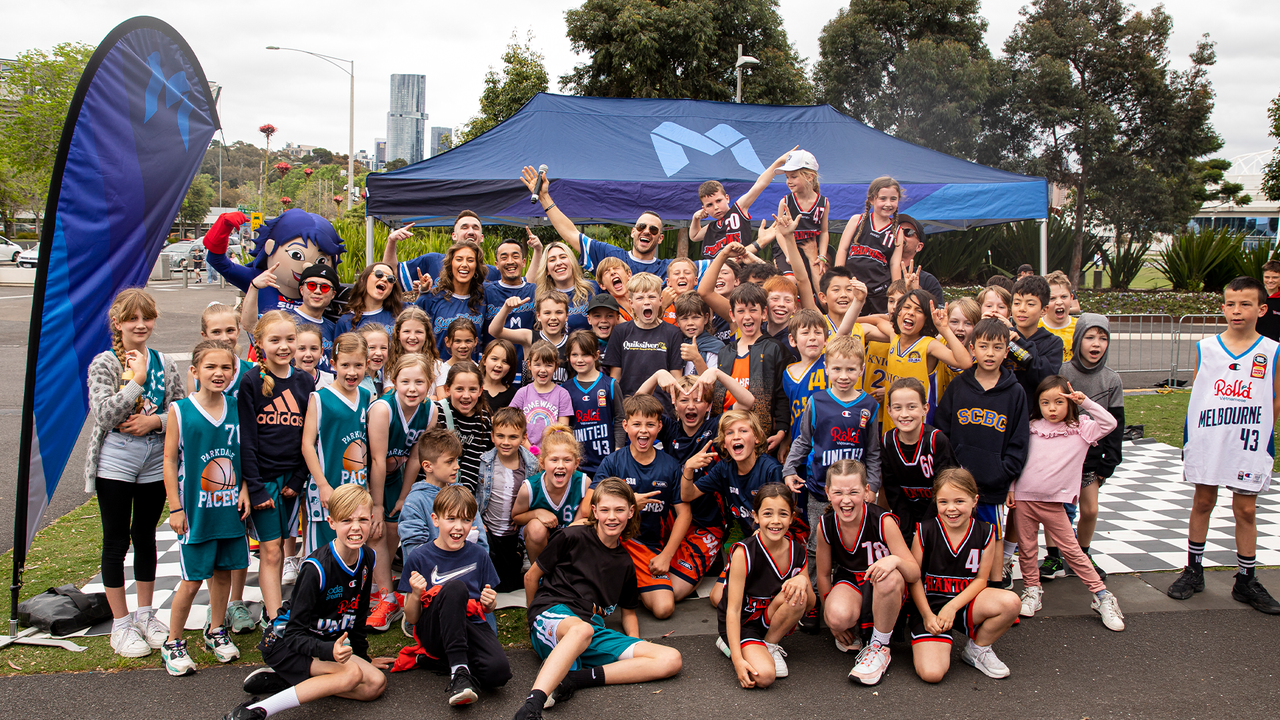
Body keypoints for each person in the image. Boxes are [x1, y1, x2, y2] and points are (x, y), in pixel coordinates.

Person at [512, 477, 683, 720]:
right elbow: (531, 577)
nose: (612, 517)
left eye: (619, 510)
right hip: (553, 615)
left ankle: (572, 680)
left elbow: (629, 611)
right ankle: (531, 705)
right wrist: (533, 622)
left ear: (631, 512)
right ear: (595, 511)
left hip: (589, 630)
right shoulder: (572, 537)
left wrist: (633, 648)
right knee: (581, 630)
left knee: (670, 659)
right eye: (605, 510)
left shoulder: (625, 562)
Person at [224, 485, 391, 720]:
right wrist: (327, 650)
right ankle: (256, 710)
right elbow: (292, 633)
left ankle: (291, 679)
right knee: (352, 675)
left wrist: (364, 656)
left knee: (375, 684)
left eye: (363, 519)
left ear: (371, 520)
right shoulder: (316, 568)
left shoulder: (367, 557)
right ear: (331, 523)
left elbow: (359, 614)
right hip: (284, 644)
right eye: (346, 520)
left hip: (322, 642)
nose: (356, 527)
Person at [1167, 276, 1280, 614]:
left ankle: (1246, 579)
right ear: (1222, 307)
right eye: (1230, 304)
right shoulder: (1207, 347)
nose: (1236, 310)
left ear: (1262, 308)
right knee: (1203, 500)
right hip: (1211, 438)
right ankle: (1193, 569)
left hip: (1248, 441)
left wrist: (1259, 432)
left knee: (1245, 509)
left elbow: (1274, 399)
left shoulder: (1271, 350)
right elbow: (1201, 397)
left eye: (1245, 304)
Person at [86, 289, 185, 658]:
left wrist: (154, 421)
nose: (140, 325)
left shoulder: (164, 360)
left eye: (147, 318)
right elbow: (105, 415)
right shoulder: (104, 363)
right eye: (132, 319)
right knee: (116, 540)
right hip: (116, 459)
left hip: (155, 457)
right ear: (118, 323)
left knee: (145, 535)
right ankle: (120, 622)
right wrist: (136, 382)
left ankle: (145, 615)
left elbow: (178, 408)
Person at [160, 340, 249, 675]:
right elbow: (170, 460)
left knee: (223, 573)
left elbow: (244, 455)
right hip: (196, 511)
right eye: (211, 367)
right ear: (195, 371)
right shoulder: (180, 410)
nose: (219, 373)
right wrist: (175, 507)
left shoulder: (237, 407)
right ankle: (173, 642)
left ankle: (216, 630)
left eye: (226, 367)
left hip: (228, 508)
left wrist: (243, 487)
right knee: (192, 579)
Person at [1012, 376, 1125, 630]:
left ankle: (1102, 595)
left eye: (1058, 402)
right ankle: (1032, 590)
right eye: (1045, 402)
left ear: (1070, 402)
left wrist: (1085, 402)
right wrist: (1011, 488)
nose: (1052, 408)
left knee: (1072, 551)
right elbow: (1016, 457)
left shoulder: (1081, 428)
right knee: (1028, 549)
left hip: (1054, 502)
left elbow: (1110, 423)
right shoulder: (1030, 426)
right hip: (1024, 498)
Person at [394, 485, 512, 706]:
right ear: (435, 520)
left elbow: (487, 607)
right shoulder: (419, 557)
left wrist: (490, 603)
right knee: (455, 588)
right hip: (435, 629)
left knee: (499, 674)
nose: (459, 527)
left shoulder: (479, 554)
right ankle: (459, 672)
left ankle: (435, 662)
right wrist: (416, 595)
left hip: (470, 625)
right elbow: (411, 619)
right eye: (451, 519)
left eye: (466, 520)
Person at [935, 318, 1030, 590]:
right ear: (972, 348)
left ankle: (995, 586)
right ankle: (954, 584)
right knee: (955, 534)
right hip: (958, 483)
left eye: (997, 347)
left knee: (992, 537)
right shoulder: (958, 387)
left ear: (1006, 351)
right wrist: (950, 472)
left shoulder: (1015, 393)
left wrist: (1002, 471)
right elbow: (942, 433)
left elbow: (1019, 440)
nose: (990, 353)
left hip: (993, 485)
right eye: (984, 346)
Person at [908, 468, 1021, 682]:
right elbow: (914, 579)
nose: (951, 508)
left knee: (1011, 602)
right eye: (943, 502)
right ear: (936, 502)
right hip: (930, 606)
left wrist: (952, 607)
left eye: (959, 501)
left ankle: (977, 648)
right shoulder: (925, 531)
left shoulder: (986, 532)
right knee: (932, 674)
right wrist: (926, 615)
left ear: (974, 500)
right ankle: (936, 637)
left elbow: (980, 580)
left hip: (964, 603)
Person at [816, 459, 919, 686]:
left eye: (853, 492)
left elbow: (913, 572)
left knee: (888, 576)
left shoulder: (883, 521)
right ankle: (854, 626)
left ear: (866, 491)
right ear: (827, 492)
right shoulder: (826, 524)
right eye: (838, 492)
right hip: (853, 579)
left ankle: (880, 646)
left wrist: (893, 560)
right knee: (837, 616)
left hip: (885, 585)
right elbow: (823, 574)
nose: (846, 500)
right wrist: (831, 622)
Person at [239, 311, 313, 628]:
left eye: (289, 339)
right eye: (275, 340)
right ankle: (273, 617)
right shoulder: (251, 381)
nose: (283, 346)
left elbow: (307, 436)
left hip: (290, 481)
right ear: (260, 344)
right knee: (269, 551)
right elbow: (247, 440)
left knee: (283, 548)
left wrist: (298, 478)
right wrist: (254, 487)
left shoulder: (304, 380)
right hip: (264, 481)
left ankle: (279, 607)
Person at [593, 395, 692, 618]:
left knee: (664, 608)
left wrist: (667, 555)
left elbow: (684, 515)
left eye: (650, 424)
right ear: (626, 426)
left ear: (659, 426)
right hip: (614, 543)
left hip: (649, 548)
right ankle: (619, 580)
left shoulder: (670, 465)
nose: (643, 431)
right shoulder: (613, 462)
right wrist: (629, 503)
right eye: (636, 424)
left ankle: (631, 583)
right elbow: (588, 507)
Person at [1045, 314, 1124, 580]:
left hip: (1092, 460)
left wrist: (1109, 462)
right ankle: (1054, 556)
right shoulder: (1063, 372)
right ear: (1078, 339)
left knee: (1089, 509)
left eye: (1103, 338)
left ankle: (1082, 552)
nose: (1096, 344)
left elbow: (1117, 425)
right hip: (1063, 456)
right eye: (1090, 337)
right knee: (1057, 508)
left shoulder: (1112, 380)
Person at [525, 165, 705, 278]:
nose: (647, 231)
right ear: (633, 231)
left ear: (660, 239)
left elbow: (717, 265)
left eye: (653, 229)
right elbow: (571, 234)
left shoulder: (670, 268)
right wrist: (545, 198)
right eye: (641, 226)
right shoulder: (611, 256)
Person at [783, 334, 881, 542]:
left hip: (855, 492)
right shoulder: (817, 402)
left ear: (861, 370)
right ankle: (816, 576)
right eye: (837, 369)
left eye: (850, 369)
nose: (843, 376)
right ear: (826, 368)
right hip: (820, 488)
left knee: (852, 540)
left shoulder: (869, 406)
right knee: (817, 543)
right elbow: (803, 440)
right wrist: (789, 468)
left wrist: (872, 485)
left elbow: (873, 451)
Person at [366, 354, 439, 632]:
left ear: (430, 384)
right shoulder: (383, 409)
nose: (412, 388)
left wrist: (403, 497)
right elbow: (376, 460)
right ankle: (385, 597)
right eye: (405, 381)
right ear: (393, 382)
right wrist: (376, 503)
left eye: (419, 382)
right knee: (376, 531)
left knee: (394, 530)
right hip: (369, 475)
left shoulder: (430, 409)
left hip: (396, 474)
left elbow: (415, 455)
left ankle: (381, 589)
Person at [716, 484, 812, 689]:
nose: (775, 521)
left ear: (792, 518)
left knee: (798, 595)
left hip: (767, 617)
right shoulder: (744, 552)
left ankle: (769, 644)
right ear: (756, 516)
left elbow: (810, 604)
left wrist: (803, 581)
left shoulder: (798, 551)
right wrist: (738, 661)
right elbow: (732, 611)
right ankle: (730, 646)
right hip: (743, 623)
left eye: (783, 514)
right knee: (765, 676)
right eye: (768, 514)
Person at [300, 332, 372, 555]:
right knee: (320, 555)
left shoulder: (367, 396)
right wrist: (322, 484)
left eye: (358, 365)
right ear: (333, 364)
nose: (352, 372)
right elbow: (307, 444)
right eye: (345, 365)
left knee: (352, 552)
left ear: (367, 365)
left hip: (356, 487)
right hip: (328, 488)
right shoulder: (320, 398)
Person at [863, 288, 973, 429]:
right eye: (907, 307)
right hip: (890, 424)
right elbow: (878, 321)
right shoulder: (894, 336)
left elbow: (965, 363)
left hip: (918, 427)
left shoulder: (929, 345)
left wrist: (944, 329)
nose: (910, 312)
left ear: (927, 319)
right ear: (898, 313)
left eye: (919, 310)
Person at [204, 209, 346, 315]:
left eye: (321, 261)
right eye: (296, 255)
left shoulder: (327, 291)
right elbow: (217, 261)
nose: (307, 266)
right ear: (270, 247)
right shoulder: (258, 281)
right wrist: (223, 227)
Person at [709, 281, 789, 452]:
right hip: (726, 430)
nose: (747, 316)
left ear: (764, 313)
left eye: (753, 310)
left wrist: (782, 431)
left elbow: (783, 393)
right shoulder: (725, 351)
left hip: (759, 432)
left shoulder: (774, 348)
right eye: (741, 311)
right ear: (732, 314)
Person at [880, 378, 956, 546]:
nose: (904, 414)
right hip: (908, 517)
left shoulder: (937, 440)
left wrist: (924, 528)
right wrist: (908, 531)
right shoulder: (887, 441)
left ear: (925, 408)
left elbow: (946, 490)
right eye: (897, 407)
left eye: (912, 407)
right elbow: (894, 491)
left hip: (942, 517)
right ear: (889, 410)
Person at [690, 146, 794, 259]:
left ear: (727, 198)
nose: (715, 207)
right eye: (709, 205)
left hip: (742, 269)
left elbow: (759, 184)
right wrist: (696, 218)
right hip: (716, 273)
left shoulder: (738, 209)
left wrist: (779, 162)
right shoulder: (711, 227)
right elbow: (694, 236)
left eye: (719, 201)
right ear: (704, 208)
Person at [478, 408, 540, 591]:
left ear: (523, 437)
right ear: (492, 436)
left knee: (509, 583)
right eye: (500, 436)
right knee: (493, 582)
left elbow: (535, 497)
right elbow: (475, 494)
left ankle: (522, 560)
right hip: (489, 529)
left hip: (515, 533)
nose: (506, 442)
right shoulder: (484, 462)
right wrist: (477, 520)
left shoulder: (531, 465)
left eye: (513, 437)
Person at [244, 264, 341, 375]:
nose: (317, 291)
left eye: (325, 287)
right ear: (301, 289)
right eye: (311, 285)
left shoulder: (333, 328)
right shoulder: (283, 318)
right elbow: (250, 326)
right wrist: (254, 287)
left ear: (333, 294)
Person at [513, 425, 592, 562]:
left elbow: (591, 517)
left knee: (587, 523)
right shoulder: (530, 488)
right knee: (536, 529)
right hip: (542, 542)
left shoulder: (584, 483)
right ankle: (540, 574)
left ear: (576, 463)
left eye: (567, 460)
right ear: (542, 463)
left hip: (571, 541)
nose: (560, 465)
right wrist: (537, 513)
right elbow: (516, 517)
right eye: (554, 460)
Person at [603, 273, 686, 400]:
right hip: (629, 407)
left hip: (662, 409)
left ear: (660, 301)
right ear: (631, 303)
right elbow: (615, 379)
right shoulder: (621, 331)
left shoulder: (673, 332)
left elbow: (677, 379)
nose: (646, 302)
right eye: (640, 298)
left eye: (652, 297)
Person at [833, 176, 905, 315]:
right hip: (852, 288)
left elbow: (895, 264)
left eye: (893, 199)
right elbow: (842, 249)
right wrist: (838, 278)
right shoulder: (857, 220)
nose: (888, 203)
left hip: (879, 292)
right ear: (872, 200)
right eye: (883, 199)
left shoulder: (897, 231)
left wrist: (896, 293)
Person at [562, 331, 624, 477]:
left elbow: (620, 419)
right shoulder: (565, 388)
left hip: (607, 463)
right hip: (577, 466)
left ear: (596, 355)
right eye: (574, 355)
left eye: (585, 355)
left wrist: (618, 451)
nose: (580, 360)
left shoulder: (610, 385)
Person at [382, 213, 501, 288]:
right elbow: (390, 274)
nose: (470, 231)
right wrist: (391, 241)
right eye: (464, 227)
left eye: (475, 228)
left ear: (482, 237)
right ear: (454, 236)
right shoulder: (432, 260)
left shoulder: (493, 272)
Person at [416, 240, 489, 361]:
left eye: (470, 260)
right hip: (437, 374)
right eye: (459, 259)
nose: (464, 264)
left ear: (476, 266)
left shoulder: (484, 298)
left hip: (470, 374)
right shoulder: (431, 298)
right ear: (450, 263)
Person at [434, 361, 494, 496]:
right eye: (459, 389)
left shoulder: (482, 420)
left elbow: (472, 466)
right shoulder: (437, 412)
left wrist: (463, 498)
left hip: (461, 493)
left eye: (472, 389)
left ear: (480, 390)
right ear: (447, 389)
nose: (466, 395)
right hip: (434, 489)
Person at [490, 290, 573, 385]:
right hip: (530, 399)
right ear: (538, 316)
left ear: (566, 316)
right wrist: (506, 308)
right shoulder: (529, 337)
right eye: (547, 313)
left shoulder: (571, 343)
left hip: (560, 399)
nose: (553, 317)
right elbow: (494, 331)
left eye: (559, 312)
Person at [484, 236, 538, 379]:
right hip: (494, 372)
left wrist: (538, 250)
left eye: (515, 256)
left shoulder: (535, 291)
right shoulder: (486, 291)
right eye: (504, 257)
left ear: (523, 262)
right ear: (496, 264)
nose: (510, 261)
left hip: (526, 370)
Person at [1008, 275, 1063, 401]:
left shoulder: (1053, 343)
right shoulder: (1004, 338)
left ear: (1044, 310)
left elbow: (1044, 378)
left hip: (1036, 415)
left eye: (1030, 304)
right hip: (1004, 412)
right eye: (1017, 303)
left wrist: (1019, 342)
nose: (1022, 309)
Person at [512, 341, 573, 447]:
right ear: (529, 365)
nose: (543, 370)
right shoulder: (522, 393)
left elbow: (562, 430)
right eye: (537, 364)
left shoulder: (562, 394)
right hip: (525, 452)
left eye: (548, 365)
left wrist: (546, 453)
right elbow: (513, 424)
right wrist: (531, 450)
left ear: (556, 366)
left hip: (551, 452)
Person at [533, 237, 600, 332]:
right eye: (552, 260)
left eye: (563, 257)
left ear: (572, 262)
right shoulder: (540, 296)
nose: (559, 263)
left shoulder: (593, 288)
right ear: (547, 270)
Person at [889, 214, 945, 307]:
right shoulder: (877, 270)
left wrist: (915, 293)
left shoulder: (928, 281)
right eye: (897, 231)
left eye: (908, 232)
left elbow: (938, 314)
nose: (900, 236)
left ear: (919, 246)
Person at [335, 263, 403, 335]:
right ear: (362, 279)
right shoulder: (345, 321)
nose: (385, 279)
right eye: (379, 274)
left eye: (390, 278)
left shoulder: (400, 312)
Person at [673, 292, 724, 377]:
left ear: (706, 318)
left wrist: (696, 358)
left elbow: (715, 384)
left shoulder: (716, 347)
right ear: (677, 321)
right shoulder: (675, 344)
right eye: (684, 318)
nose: (690, 323)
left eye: (696, 317)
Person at [1040, 271, 1077, 362]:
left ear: (1071, 298)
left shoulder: (1079, 327)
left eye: (1064, 297)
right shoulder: (1035, 328)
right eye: (1052, 298)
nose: (1059, 302)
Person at [436, 318, 481, 391]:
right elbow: (441, 397)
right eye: (457, 341)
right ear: (447, 341)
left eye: (468, 341)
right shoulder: (441, 371)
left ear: (475, 341)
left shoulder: (480, 370)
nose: (463, 346)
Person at [481, 338, 519, 412]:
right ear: (484, 360)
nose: (499, 365)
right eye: (494, 359)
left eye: (505, 362)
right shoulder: (473, 388)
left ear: (510, 367)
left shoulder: (513, 394)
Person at [293, 325, 334, 391]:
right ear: (292, 351)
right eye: (302, 348)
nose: (308, 354)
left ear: (321, 352)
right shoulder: (285, 381)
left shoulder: (330, 381)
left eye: (313, 349)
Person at [356, 324, 392, 397]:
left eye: (383, 348)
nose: (379, 353)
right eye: (372, 347)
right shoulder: (354, 380)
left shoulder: (380, 376)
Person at [1258, 259, 1280, 342]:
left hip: (1275, 345)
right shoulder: (1255, 295)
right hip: (1253, 343)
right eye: (1267, 277)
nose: (1270, 280)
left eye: (1275, 277)